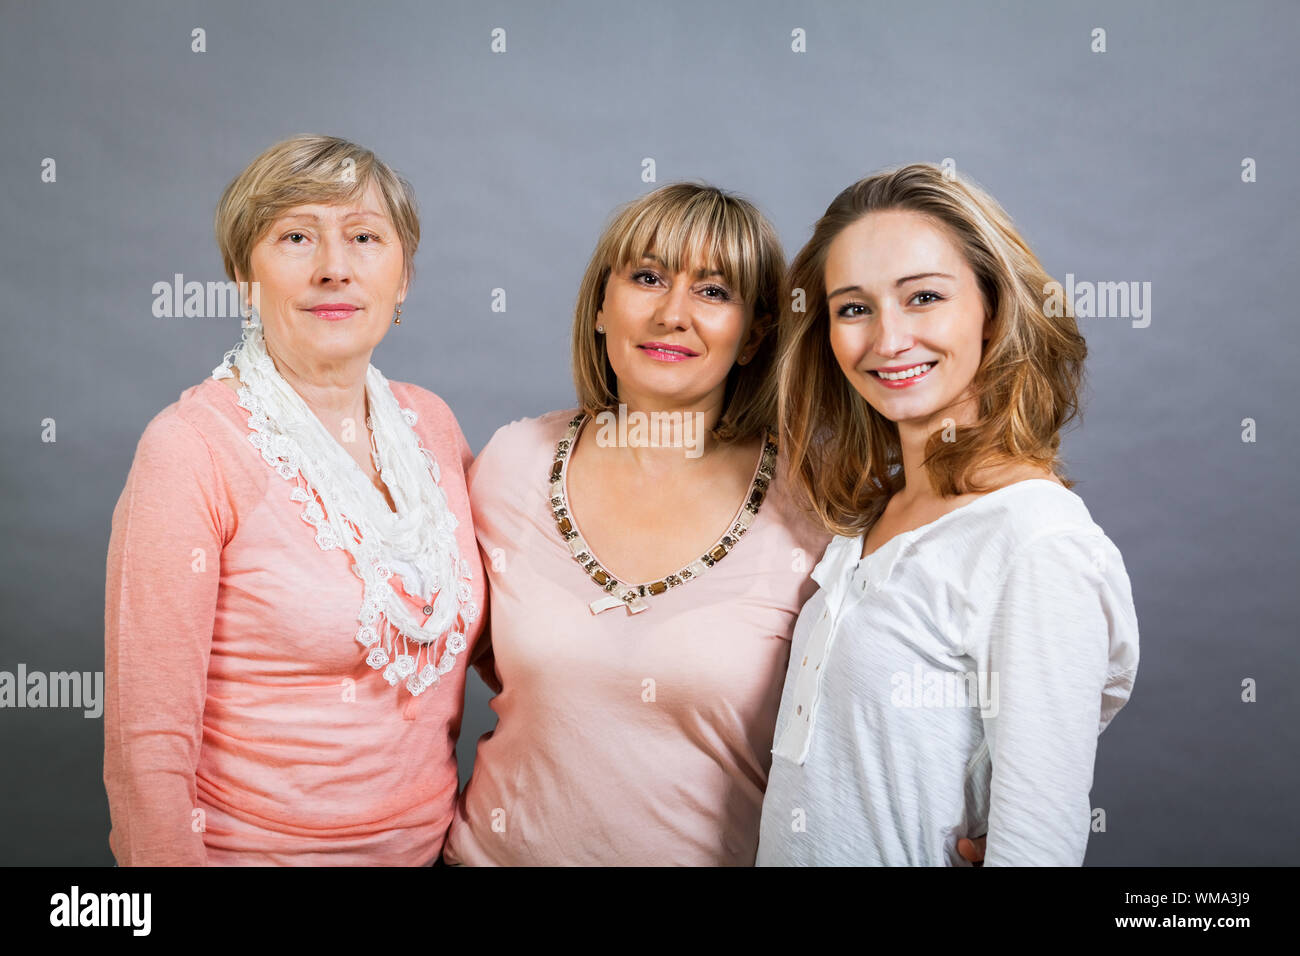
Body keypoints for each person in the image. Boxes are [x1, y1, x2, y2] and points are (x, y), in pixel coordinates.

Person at [103, 135, 486, 865]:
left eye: (365, 238)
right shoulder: (190, 447)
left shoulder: (431, 426)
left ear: (402, 277)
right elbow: (147, 745)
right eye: (296, 237)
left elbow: (513, 646)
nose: (334, 268)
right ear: (245, 275)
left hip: (431, 853)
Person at [441, 182, 836, 865]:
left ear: (754, 337)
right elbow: (443, 659)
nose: (673, 314)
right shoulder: (511, 464)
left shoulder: (818, 502)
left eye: (714, 292)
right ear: (601, 307)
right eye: (648, 278)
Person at [757, 163, 1140, 866]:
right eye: (853, 308)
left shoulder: (1035, 542)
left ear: (992, 307)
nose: (888, 339)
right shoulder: (867, 514)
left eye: (923, 297)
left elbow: (1036, 851)